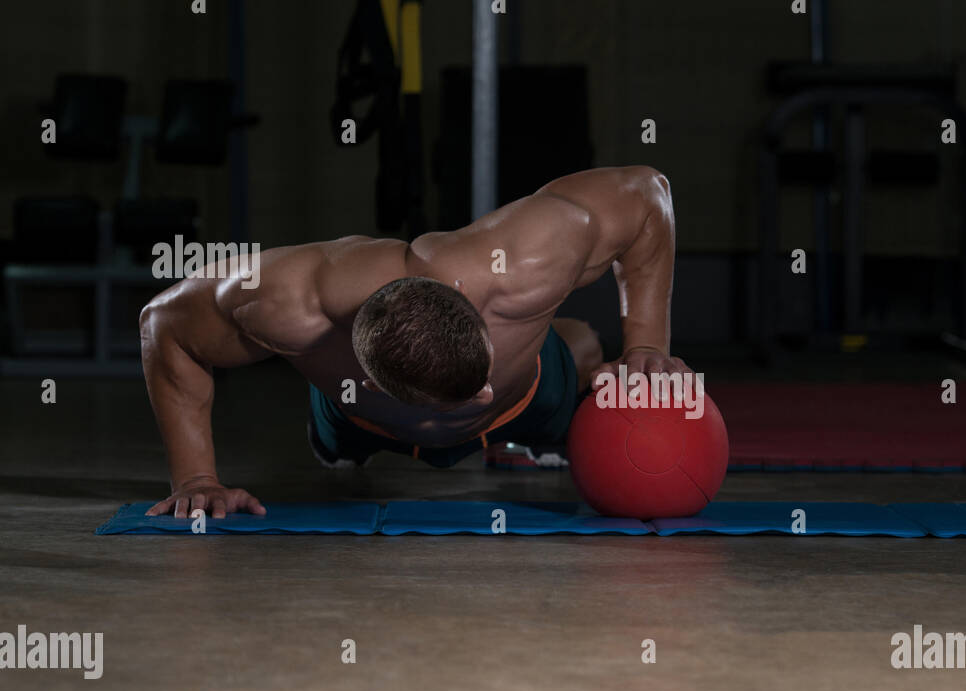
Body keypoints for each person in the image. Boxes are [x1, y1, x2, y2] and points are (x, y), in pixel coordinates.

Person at [139, 166, 692, 518]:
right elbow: (165, 325)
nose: (474, 396)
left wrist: (646, 343)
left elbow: (649, 195)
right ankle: (338, 429)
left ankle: (563, 354)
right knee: (335, 446)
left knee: (583, 348)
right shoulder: (285, 304)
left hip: (526, 397)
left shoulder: (530, 257)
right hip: (359, 418)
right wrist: (197, 479)